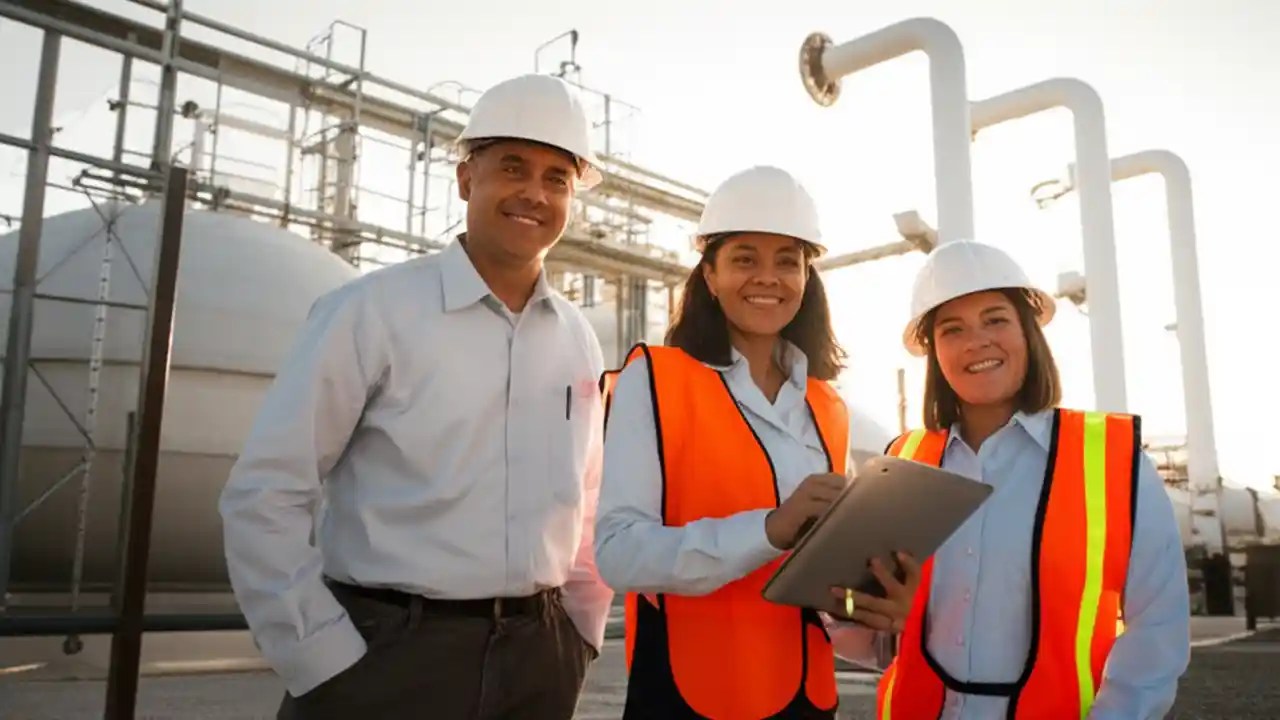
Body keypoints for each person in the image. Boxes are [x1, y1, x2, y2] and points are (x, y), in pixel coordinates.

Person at [219, 73, 614, 720]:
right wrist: (320, 660)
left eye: (556, 178)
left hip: (539, 659)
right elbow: (267, 492)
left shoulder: (578, 339)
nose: (534, 193)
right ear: (466, 179)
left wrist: (578, 634)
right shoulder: (369, 312)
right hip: (388, 656)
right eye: (512, 167)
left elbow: (588, 501)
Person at [833, 239, 1190, 719]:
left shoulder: (1112, 459)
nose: (977, 341)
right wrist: (842, 600)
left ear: (1028, 332)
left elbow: (1158, 627)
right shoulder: (905, 462)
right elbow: (877, 640)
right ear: (935, 352)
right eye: (952, 329)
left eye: (995, 319)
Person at [596, 165, 876, 719]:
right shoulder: (654, 380)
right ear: (710, 275)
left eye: (787, 261)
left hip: (809, 694)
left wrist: (867, 593)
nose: (767, 278)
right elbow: (620, 553)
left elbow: (821, 575)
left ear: (807, 279)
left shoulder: (827, 406)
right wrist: (769, 529)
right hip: (688, 693)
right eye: (745, 258)